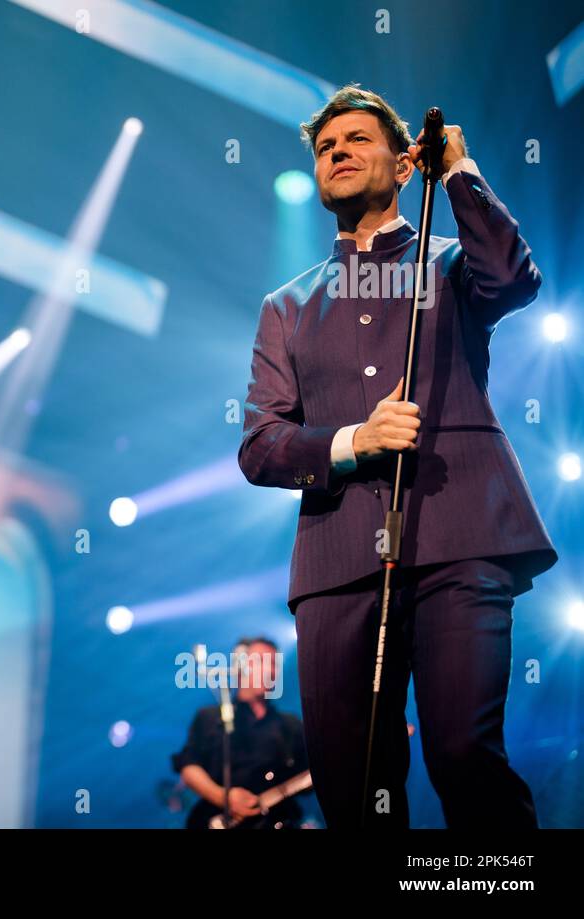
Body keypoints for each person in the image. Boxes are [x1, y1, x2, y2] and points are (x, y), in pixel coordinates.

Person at [239, 85, 555, 828]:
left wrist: (460, 170)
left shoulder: (448, 264)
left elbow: (514, 278)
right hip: (337, 564)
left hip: (461, 541)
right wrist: (353, 441)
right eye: (325, 147)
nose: (337, 153)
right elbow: (261, 444)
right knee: (354, 787)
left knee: (463, 754)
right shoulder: (286, 306)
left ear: (403, 162)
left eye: (356, 140)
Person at [172, 639, 310, 829]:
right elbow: (188, 766)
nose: (270, 671)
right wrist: (224, 797)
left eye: (274, 663)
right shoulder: (210, 717)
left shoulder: (291, 724)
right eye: (260, 661)